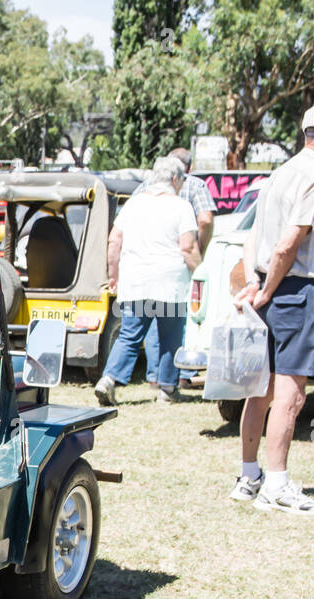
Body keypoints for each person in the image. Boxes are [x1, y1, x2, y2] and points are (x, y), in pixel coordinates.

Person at [230, 103, 314, 515]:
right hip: (296, 290)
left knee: (260, 389)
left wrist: (256, 283)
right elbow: (288, 243)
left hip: (269, 286)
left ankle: (249, 478)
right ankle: (277, 486)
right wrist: (268, 288)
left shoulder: (281, 172)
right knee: (291, 393)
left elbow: (253, 237)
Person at [94, 156, 201, 405]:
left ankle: (108, 380)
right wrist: (201, 273)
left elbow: (114, 241)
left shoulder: (133, 204)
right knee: (170, 338)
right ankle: (168, 389)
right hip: (170, 285)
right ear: (175, 179)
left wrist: (113, 275)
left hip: (136, 282)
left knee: (129, 336)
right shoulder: (181, 206)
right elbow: (187, 247)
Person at [138, 146, 218, 389]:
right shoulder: (195, 185)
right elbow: (206, 220)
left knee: (153, 322)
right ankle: (181, 374)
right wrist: (199, 250)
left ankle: (154, 376)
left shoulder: (146, 186)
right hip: (180, 260)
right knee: (181, 321)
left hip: (147, 262)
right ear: (188, 168)